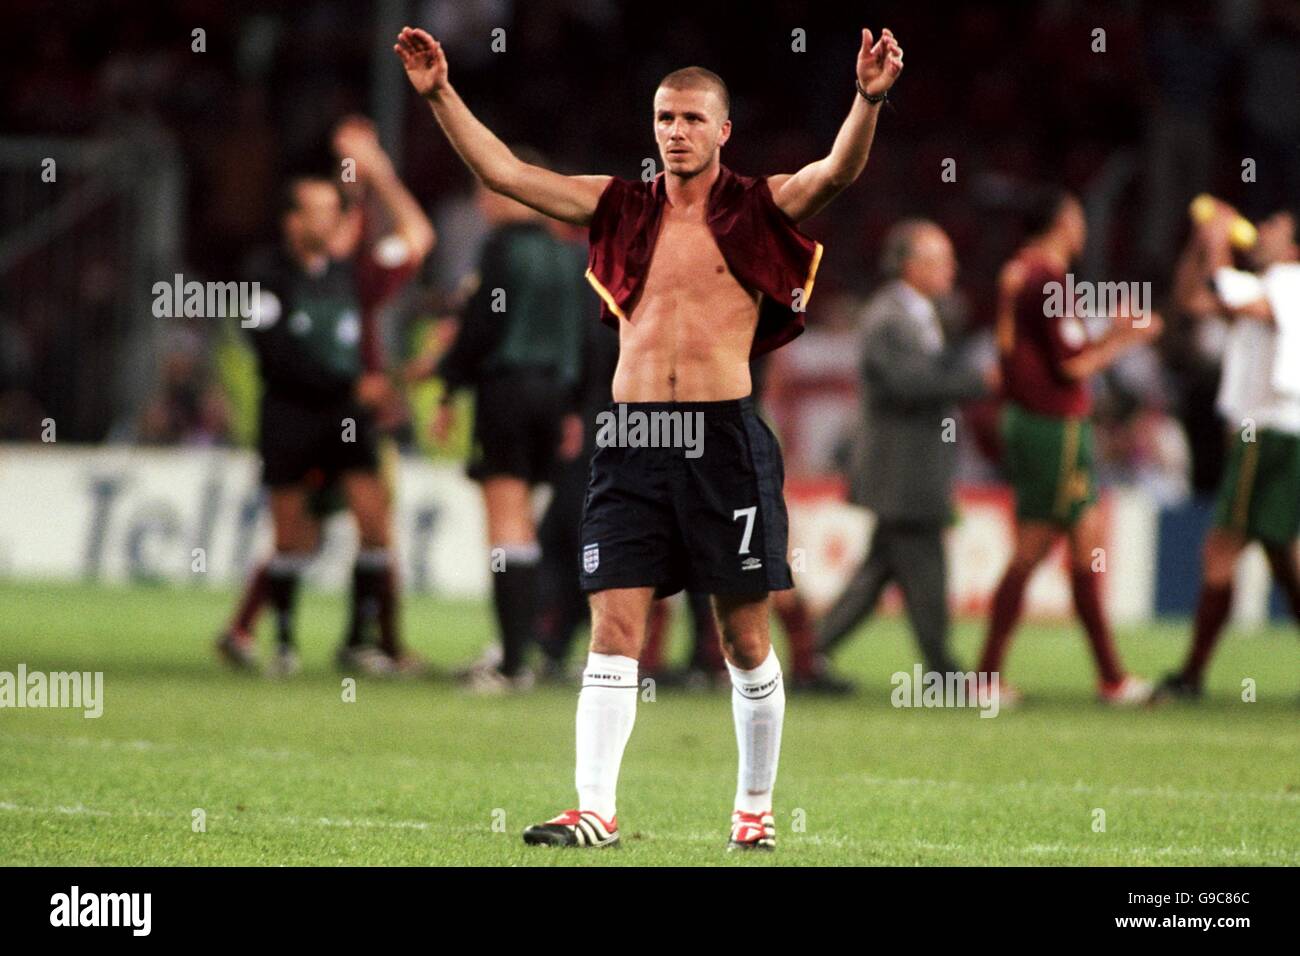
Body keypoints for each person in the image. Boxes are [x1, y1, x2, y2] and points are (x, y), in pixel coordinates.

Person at [394, 22, 903, 850]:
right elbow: (505, 173)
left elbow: (838, 170)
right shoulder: (617, 206)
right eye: (666, 118)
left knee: (744, 637)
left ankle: (754, 807)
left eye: (694, 119)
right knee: (615, 628)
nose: (676, 131)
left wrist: (867, 98)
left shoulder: (758, 203)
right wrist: (441, 93)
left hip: (723, 442)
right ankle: (594, 807)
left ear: (723, 130)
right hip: (630, 441)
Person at [217, 116, 434, 676]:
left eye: (336, 209)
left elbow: (419, 238)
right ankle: (279, 638)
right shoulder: (265, 275)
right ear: (293, 220)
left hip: (351, 418)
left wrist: (379, 172)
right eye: (322, 210)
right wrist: (350, 383)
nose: (334, 217)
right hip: (294, 416)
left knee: (371, 522)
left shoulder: (354, 275)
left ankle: (365, 642)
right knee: (296, 534)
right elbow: (272, 351)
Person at [974, 190, 1160, 706]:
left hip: (1040, 424)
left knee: (1083, 545)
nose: (1083, 228)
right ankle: (985, 678)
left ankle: (1111, 678)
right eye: (1078, 217)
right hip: (1051, 425)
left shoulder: (1019, 272)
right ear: (1060, 224)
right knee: (1033, 545)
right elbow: (1071, 365)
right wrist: (1128, 336)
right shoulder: (1048, 278)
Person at [411, 169, 588, 692]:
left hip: (507, 391)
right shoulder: (569, 254)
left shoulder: (501, 249)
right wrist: (574, 406)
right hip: (556, 398)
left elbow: (483, 326)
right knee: (525, 526)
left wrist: (448, 382)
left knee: (506, 523)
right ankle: (520, 647)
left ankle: (513, 663)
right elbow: (584, 334)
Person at [816, 220, 993, 685]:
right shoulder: (889, 315)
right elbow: (906, 383)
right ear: (911, 265)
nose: (952, 268)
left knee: (880, 572)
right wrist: (977, 381)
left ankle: (808, 655)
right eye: (941, 259)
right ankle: (944, 672)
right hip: (901, 468)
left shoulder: (917, 312)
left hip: (911, 467)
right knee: (924, 567)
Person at [1157, 203, 1300, 700]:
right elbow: (1192, 300)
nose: (1259, 231)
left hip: (1270, 434)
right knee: (1285, 558)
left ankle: (1192, 675)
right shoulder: (1264, 282)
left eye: (1272, 225)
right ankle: (1192, 674)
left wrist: (1217, 241)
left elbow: (1235, 304)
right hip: (1268, 434)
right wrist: (1200, 245)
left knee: (1220, 548)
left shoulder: (1290, 282)